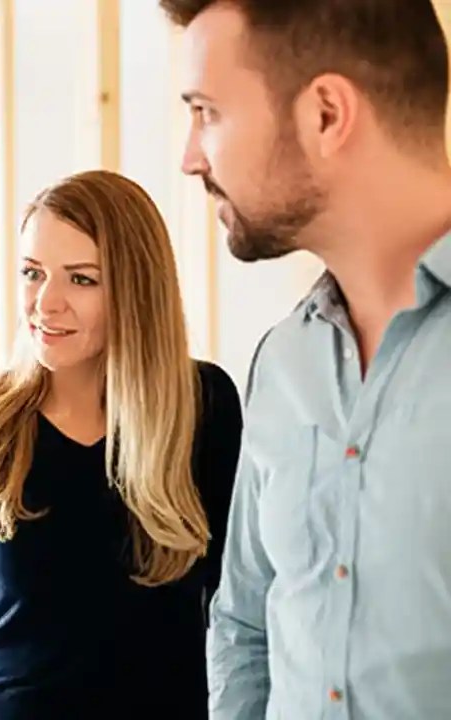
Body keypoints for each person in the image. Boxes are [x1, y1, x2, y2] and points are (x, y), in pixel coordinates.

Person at [161, 0, 451, 716]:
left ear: (326, 114)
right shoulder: (284, 363)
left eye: (208, 112)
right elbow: (245, 627)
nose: (190, 156)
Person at [0, 170, 243, 718]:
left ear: (135, 288)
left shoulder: (205, 406)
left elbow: (236, 604)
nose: (46, 304)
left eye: (81, 279)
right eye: (32, 273)